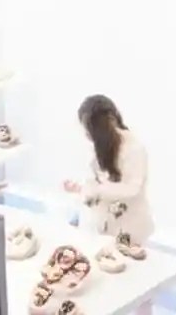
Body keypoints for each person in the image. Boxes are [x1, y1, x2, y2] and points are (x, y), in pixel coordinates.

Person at [63, 95, 154, 245]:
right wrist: (80, 189)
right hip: (105, 226)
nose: (86, 135)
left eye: (89, 130)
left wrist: (96, 190)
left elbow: (132, 189)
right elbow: (97, 180)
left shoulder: (134, 149)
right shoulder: (100, 146)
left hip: (130, 227)